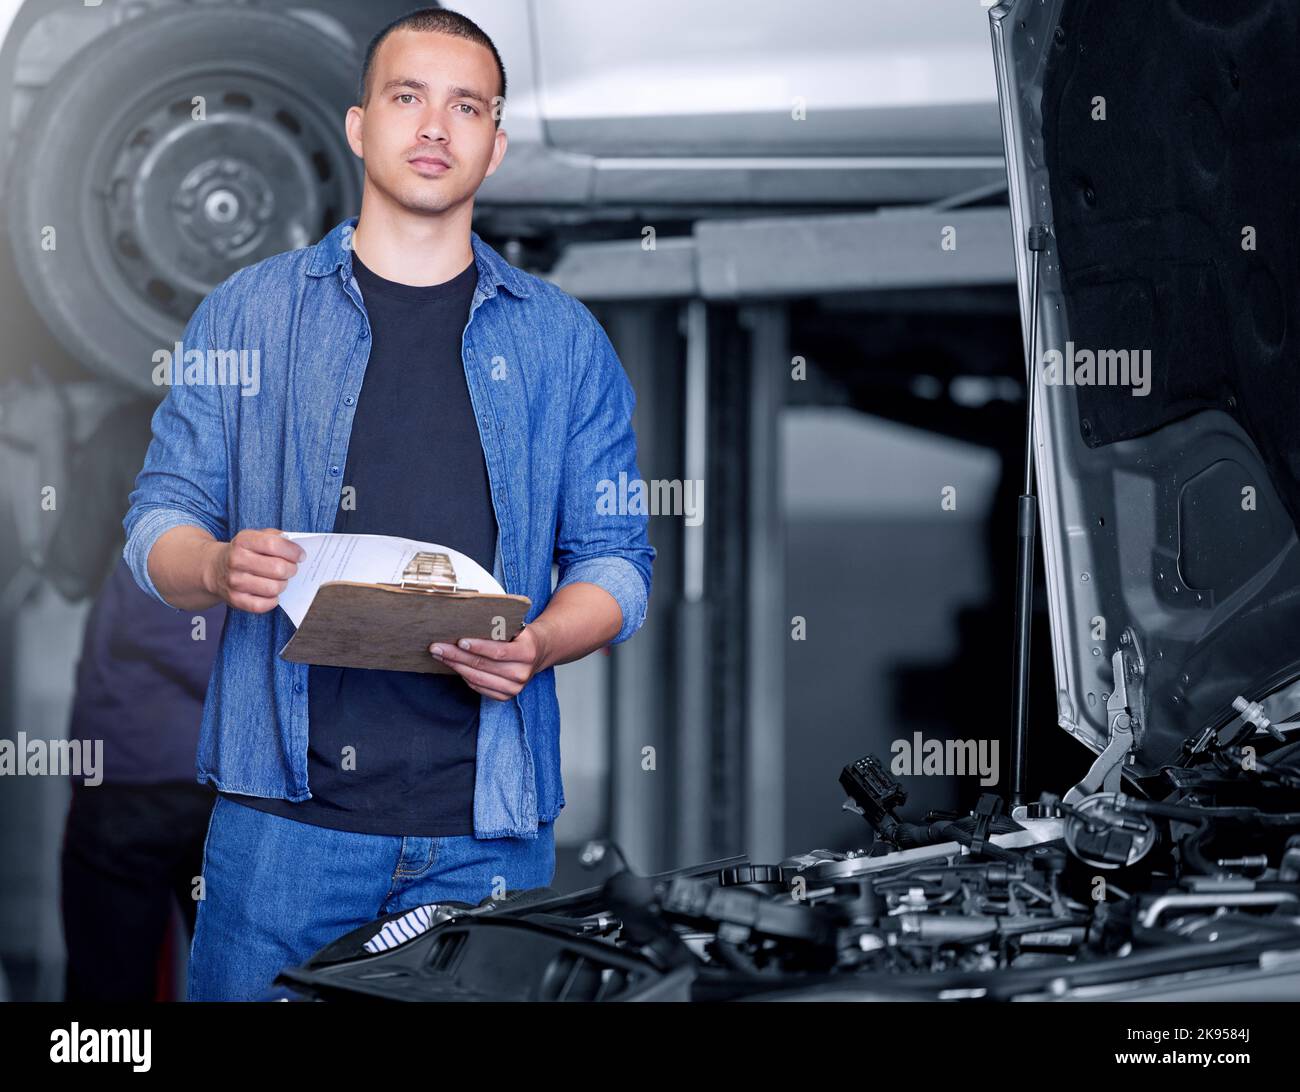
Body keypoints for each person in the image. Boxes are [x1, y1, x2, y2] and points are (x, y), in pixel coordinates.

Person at [122, 7, 654, 1001]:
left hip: (484, 836)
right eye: (408, 97)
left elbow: (618, 563)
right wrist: (214, 564)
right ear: (361, 125)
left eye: (467, 106)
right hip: (284, 831)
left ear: (495, 145)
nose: (435, 126)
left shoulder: (562, 341)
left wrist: (538, 643)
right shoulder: (249, 311)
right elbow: (157, 521)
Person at [48, 399, 224, 1001]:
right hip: (240, 773)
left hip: (126, 764)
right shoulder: (290, 432)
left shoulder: (126, 427)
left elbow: (68, 573)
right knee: (242, 981)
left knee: (107, 994)